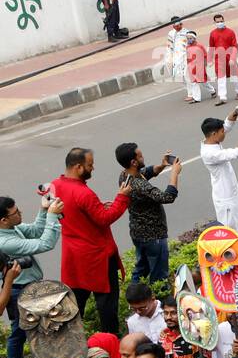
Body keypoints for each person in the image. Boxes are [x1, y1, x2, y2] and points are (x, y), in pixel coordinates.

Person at [50, 147, 132, 332]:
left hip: (73, 256)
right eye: (90, 165)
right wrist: (122, 197)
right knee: (106, 305)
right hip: (97, 257)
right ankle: (109, 343)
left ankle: (71, 343)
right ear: (78, 167)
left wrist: (96, 206)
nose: (92, 168)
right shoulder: (83, 193)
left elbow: (73, 210)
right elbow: (105, 218)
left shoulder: (55, 185)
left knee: (75, 305)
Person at [0, 192, 62, 358]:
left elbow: (35, 231)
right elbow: (45, 243)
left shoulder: (12, 229)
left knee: (36, 328)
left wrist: (44, 211)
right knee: (27, 331)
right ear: (3, 220)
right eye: (15, 212)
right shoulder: (5, 242)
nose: (20, 213)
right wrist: (53, 215)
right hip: (20, 289)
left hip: (27, 286)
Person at [116, 142, 180, 283]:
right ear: (133, 162)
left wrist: (162, 165)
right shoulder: (139, 185)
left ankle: (134, 298)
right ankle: (160, 300)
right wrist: (174, 173)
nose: (143, 157)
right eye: (140, 156)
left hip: (138, 233)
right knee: (159, 276)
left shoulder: (125, 175)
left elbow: (146, 172)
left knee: (141, 270)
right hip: (153, 236)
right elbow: (167, 197)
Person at [199, 108, 238, 228]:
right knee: (232, 230)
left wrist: (236, 112)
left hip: (229, 193)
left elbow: (227, 125)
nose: (225, 132)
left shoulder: (210, 141)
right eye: (222, 132)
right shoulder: (209, 153)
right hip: (226, 199)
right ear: (214, 134)